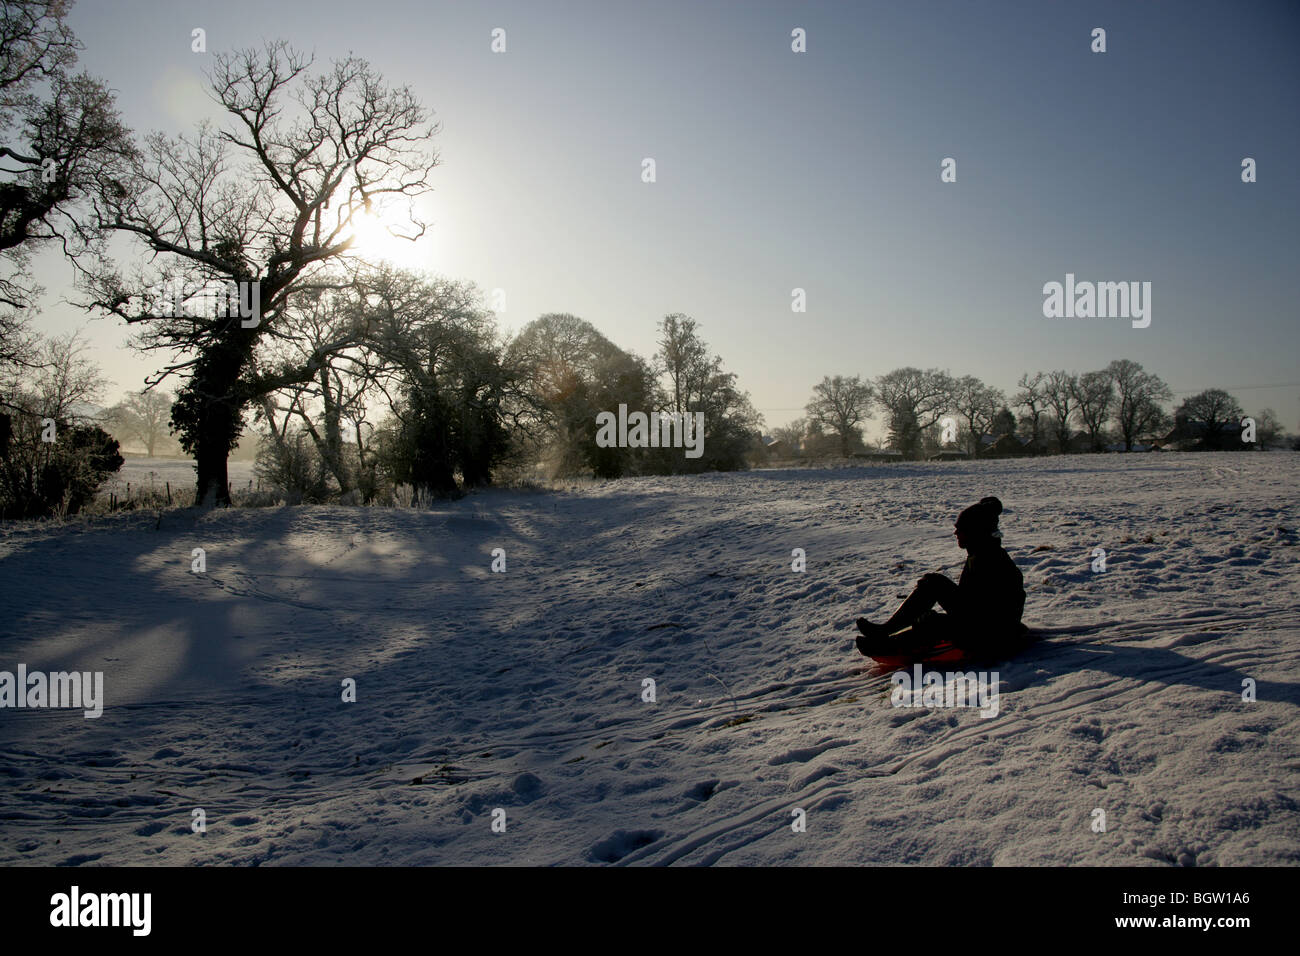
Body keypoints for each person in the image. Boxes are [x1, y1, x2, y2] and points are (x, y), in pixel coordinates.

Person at [855, 496, 1027, 659]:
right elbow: (971, 605)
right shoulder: (981, 552)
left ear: (975, 532)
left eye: (961, 529)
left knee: (934, 622)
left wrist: (941, 622)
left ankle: (887, 646)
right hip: (984, 623)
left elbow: (985, 616)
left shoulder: (990, 561)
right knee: (933, 583)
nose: (955, 533)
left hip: (994, 635)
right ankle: (885, 631)